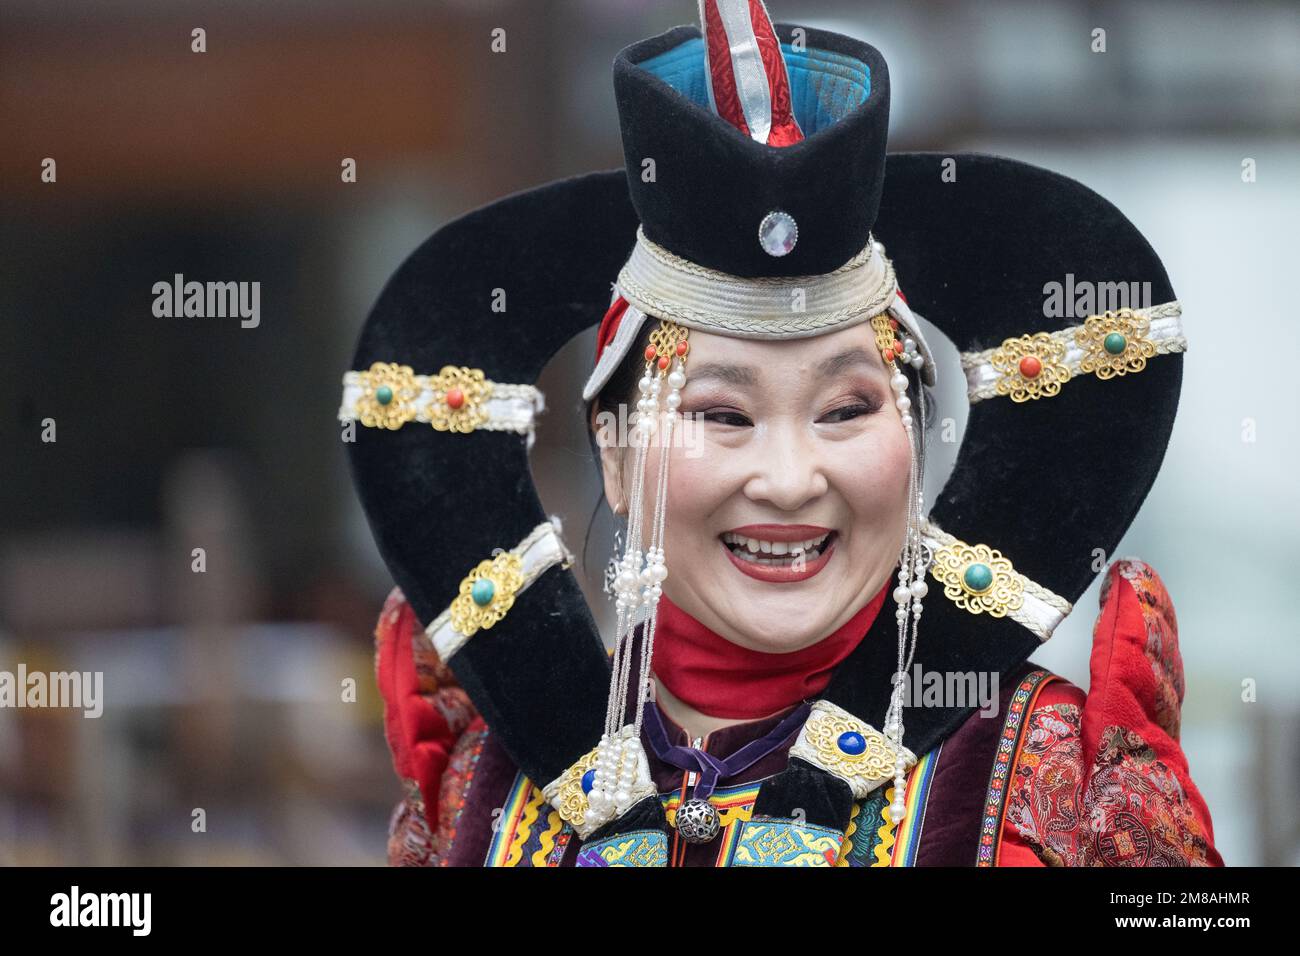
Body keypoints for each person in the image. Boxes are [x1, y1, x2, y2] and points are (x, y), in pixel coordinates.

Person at [344, 1, 1221, 866]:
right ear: (613, 453)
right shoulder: (485, 799)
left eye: (847, 411)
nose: (792, 478)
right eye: (722, 415)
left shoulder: (1055, 779)